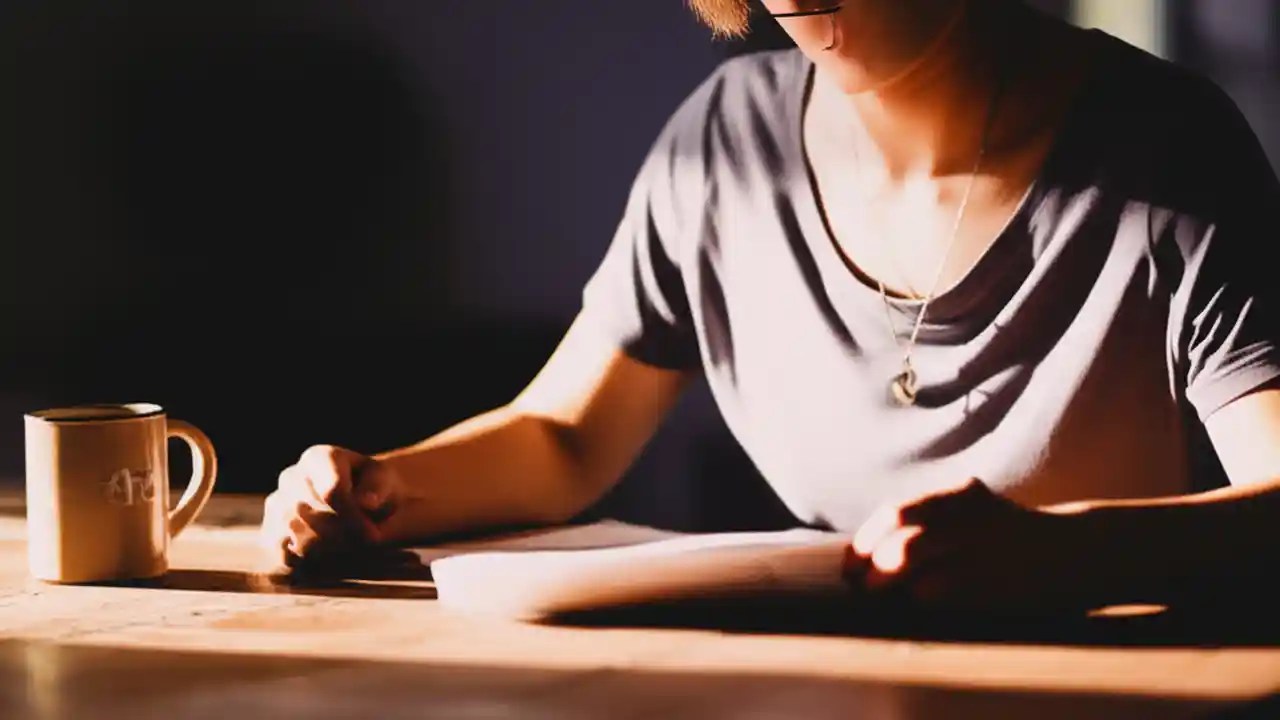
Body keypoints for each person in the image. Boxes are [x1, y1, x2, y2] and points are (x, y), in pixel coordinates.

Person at [260, 0, 1280, 614]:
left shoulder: (1164, 153)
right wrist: (378, 492)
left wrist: (1060, 557)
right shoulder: (724, 149)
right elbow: (566, 436)